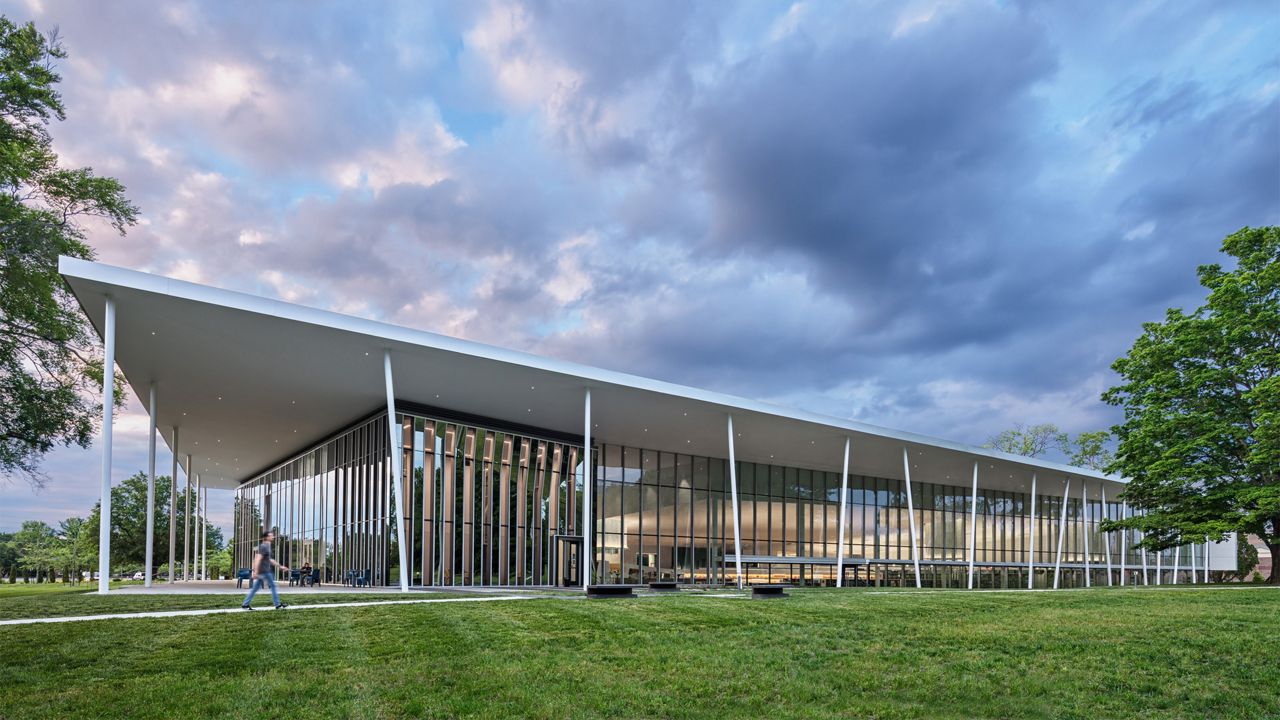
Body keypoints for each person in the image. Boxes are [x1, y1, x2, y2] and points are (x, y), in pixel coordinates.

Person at [241, 530, 289, 610]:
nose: (273, 537)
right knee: (273, 586)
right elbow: (257, 558)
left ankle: (245, 604)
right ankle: (277, 605)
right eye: (271, 535)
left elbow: (270, 560)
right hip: (264, 571)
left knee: (256, 588)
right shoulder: (264, 546)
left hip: (264, 571)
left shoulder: (267, 547)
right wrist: (255, 571)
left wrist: (280, 567)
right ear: (267, 537)